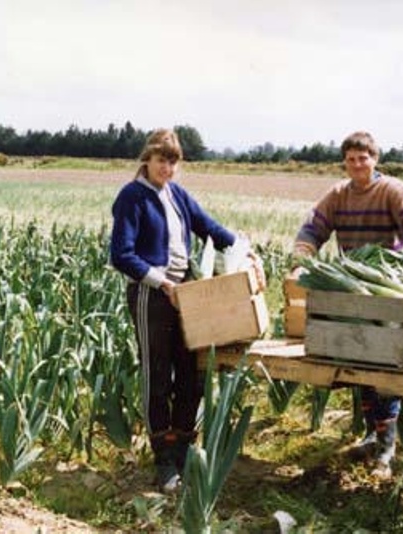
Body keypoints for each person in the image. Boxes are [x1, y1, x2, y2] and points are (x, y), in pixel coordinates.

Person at [109, 128, 248, 493]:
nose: (166, 168)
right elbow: (121, 254)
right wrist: (161, 282)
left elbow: (210, 228)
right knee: (157, 373)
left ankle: (185, 446)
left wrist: (246, 251)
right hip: (151, 295)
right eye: (160, 160)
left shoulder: (177, 195)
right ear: (147, 160)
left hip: (186, 295)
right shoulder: (132, 197)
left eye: (172, 162)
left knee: (191, 370)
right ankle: (163, 458)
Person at [290, 131, 403, 477]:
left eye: (363, 158)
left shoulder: (392, 190)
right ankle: (372, 435)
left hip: (384, 297)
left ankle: (386, 450)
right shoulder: (338, 194)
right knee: (359, 369)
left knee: (383, 370)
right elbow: (312, 229)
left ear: (375, 159)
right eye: (351, 159)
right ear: (345, 162)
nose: (357, 164)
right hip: (351, 293)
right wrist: (302, 256)